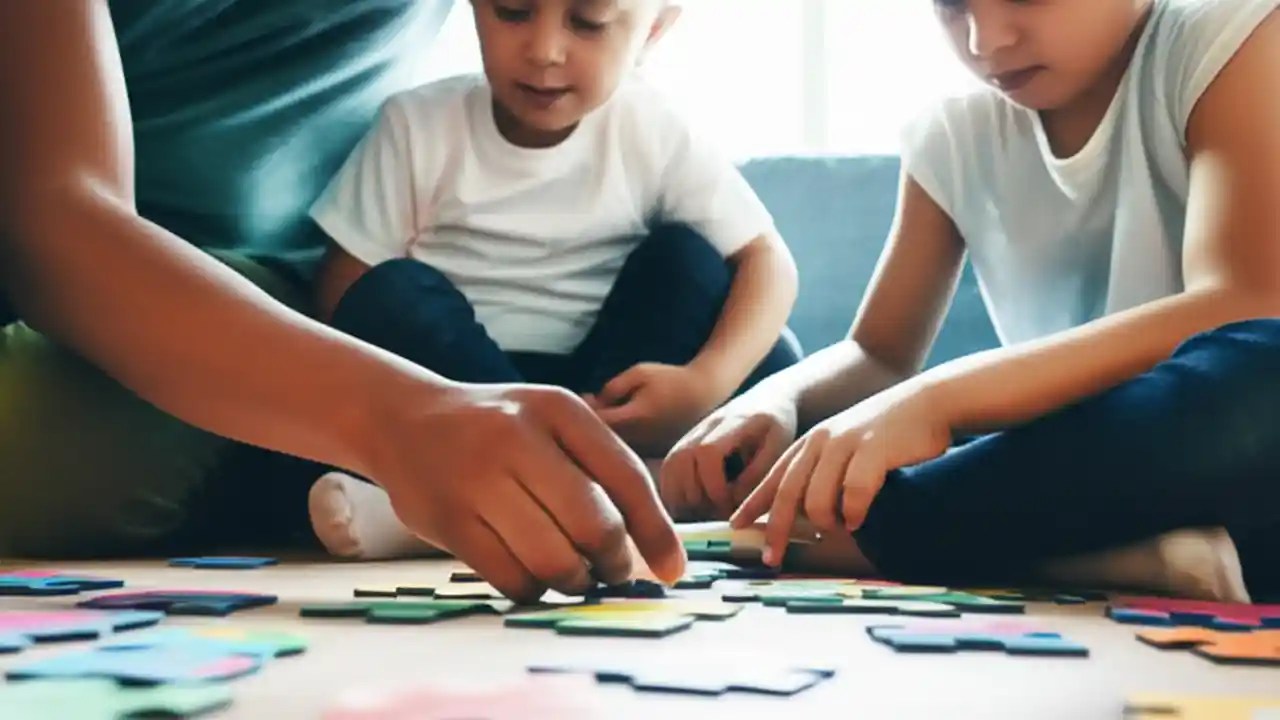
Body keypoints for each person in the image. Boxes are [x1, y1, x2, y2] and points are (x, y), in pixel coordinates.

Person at [0, 0, 687, 604]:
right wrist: (397, 417)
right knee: (31, 439)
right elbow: (58, 222)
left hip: (312, 297)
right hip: (103, 296)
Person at [663, 0, 1280, 602]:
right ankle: (1091, 549)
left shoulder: (1227, 37)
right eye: (951, 4)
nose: (985, 41)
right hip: (1063, 466)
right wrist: (781, 400)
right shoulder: (953, 136)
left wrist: (941, 401)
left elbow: (1244, 302)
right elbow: (878, 353)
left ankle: (844, 540)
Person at [299, 0, 801, 560]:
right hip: (468, 395)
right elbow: (346, 288)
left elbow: (768, 263)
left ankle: (479, 508)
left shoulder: (653, 126)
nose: (543, 51)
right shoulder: (417, 124)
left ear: (654, 28)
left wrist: (703, 384)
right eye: (512, 13)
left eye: (588, 23)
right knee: (387, 294)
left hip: (612, 397)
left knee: (709, 279)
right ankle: (599, 494)